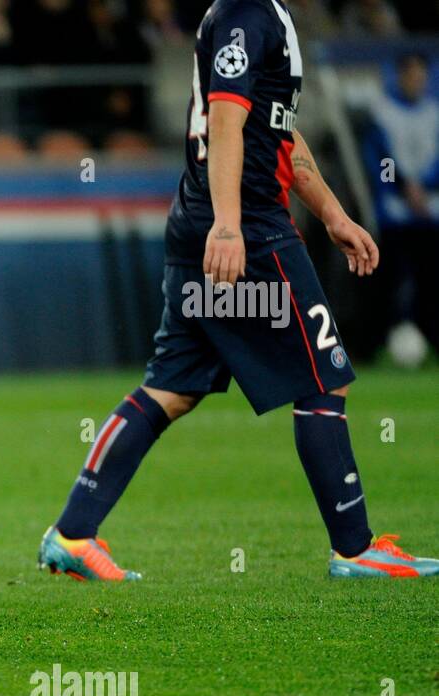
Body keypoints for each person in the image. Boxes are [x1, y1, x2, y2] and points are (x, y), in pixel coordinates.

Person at [37, 0, 437, 581]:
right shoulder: (248, 14)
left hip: (206, 224)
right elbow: (226, 119)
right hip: (247, 230)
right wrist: (229, 225)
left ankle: (73, 533)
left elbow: (276, 131)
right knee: (325, 378)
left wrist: (332, 214)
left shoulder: (251, 15)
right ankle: (355, 549)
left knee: (172, 389)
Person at [361, 52, 439, 358]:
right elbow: (380, 161)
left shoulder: (433, 112)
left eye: (421, 76)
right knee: (386, 281)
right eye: (411, 75)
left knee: (431, 282)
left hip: (430, 211)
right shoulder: (383, 113)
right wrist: (405, 186)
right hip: (394, 213)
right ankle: (372, 345)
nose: (416, 81)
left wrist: (426, 184)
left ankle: (431, 340)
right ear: (400, 76)